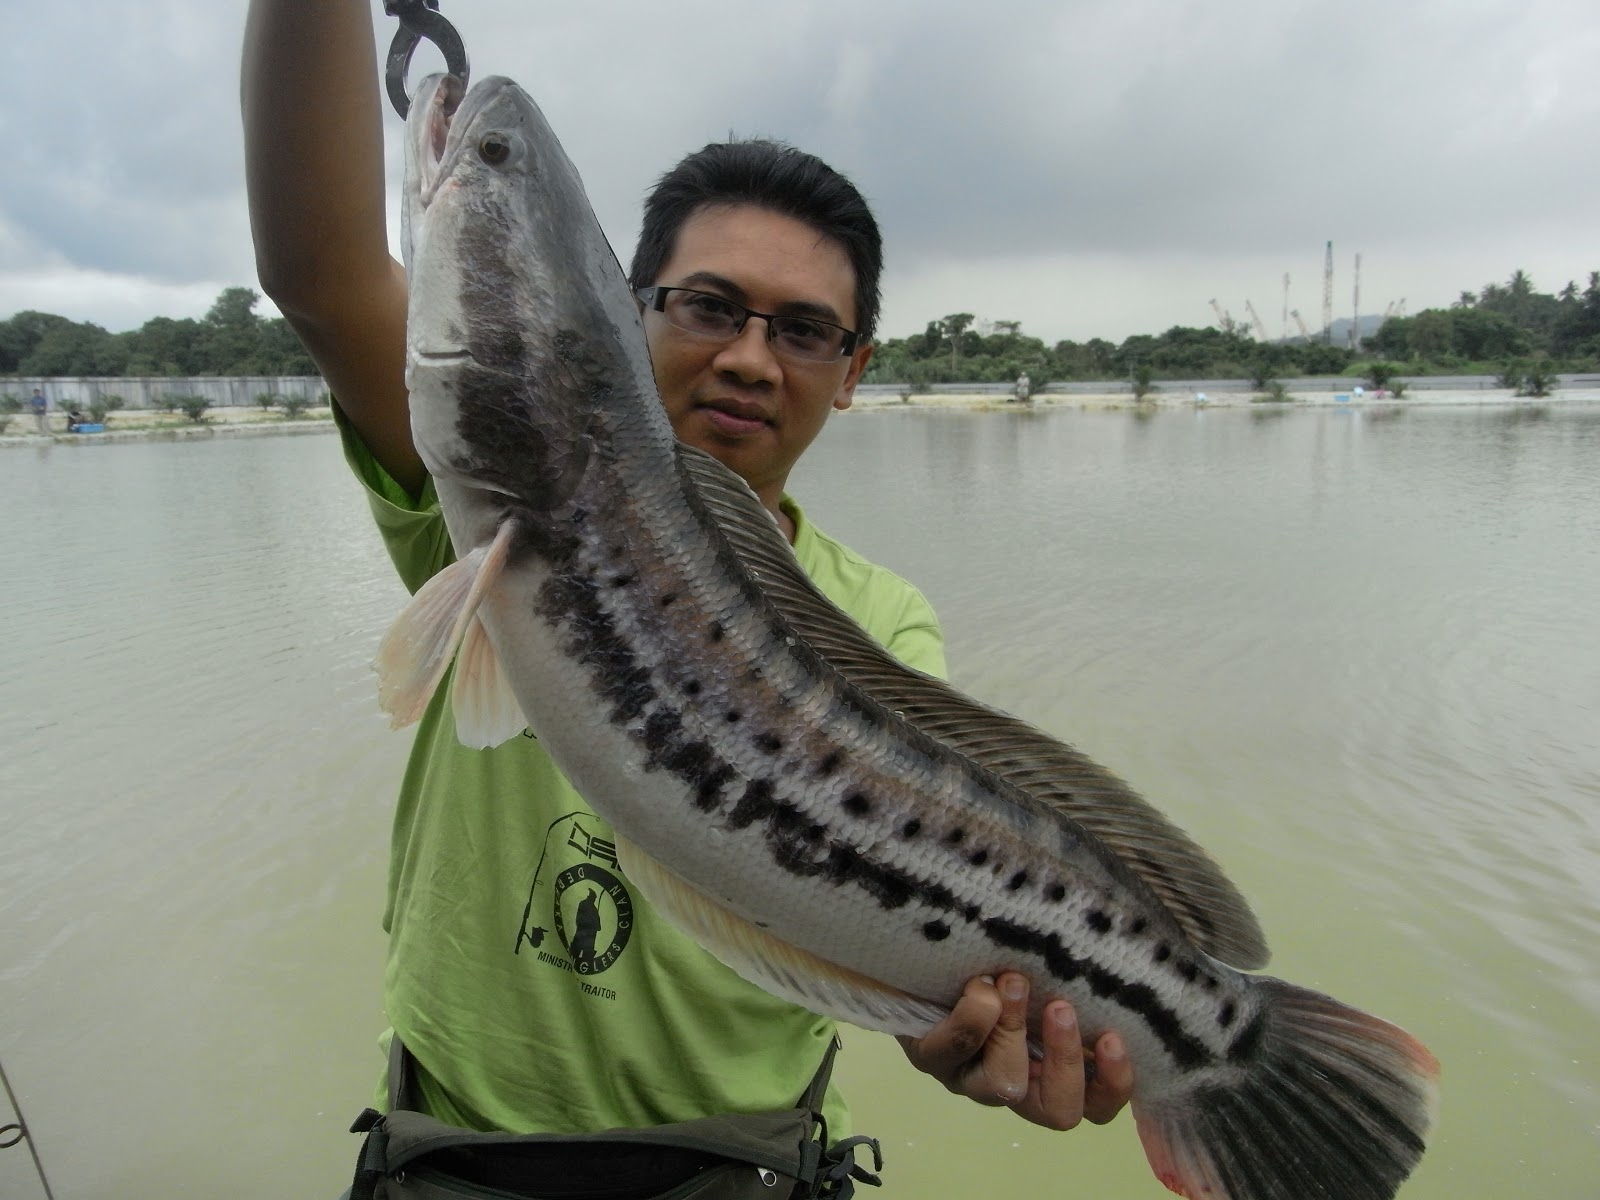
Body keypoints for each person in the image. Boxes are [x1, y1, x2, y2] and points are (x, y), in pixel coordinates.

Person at [242, 0, 1132, 1180]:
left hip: (742, 1167)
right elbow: (319, 268)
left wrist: (954, 1027)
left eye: (806, 330)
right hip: (452, 1153)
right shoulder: (488, 500)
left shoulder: (881, 621)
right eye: (709, 307)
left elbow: (919, 943)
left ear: (855, 372)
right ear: (626, 305)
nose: (752, 358)